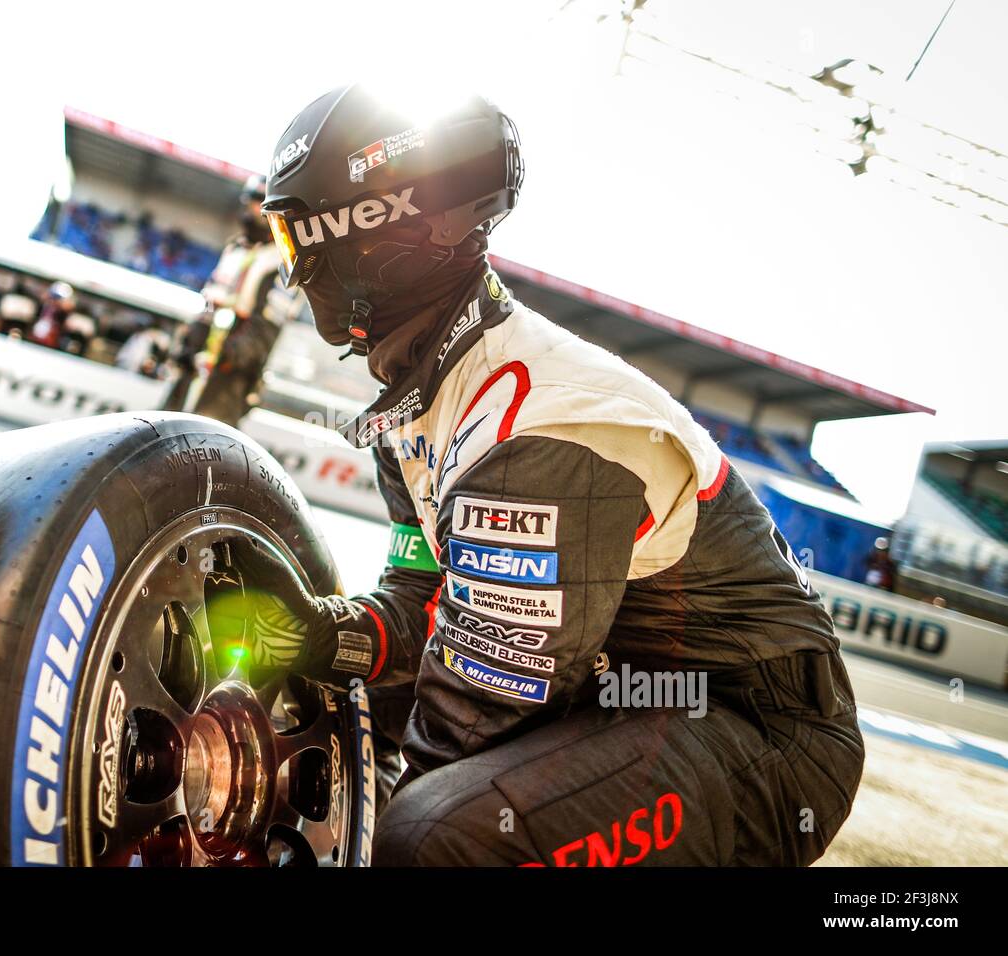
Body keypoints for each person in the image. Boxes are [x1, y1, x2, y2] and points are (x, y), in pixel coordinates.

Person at [236, 84, 864, 866]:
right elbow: (421, 604)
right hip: (620, 698)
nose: (297, 275)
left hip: (758, 735)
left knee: (430, 840)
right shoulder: (422, 408)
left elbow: (479, 711)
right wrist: (325, 633)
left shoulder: (532, 418)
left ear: (363, 236)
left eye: (299, 242)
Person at [190, 174, 307, 424]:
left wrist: (235, 352)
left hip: (234, 365)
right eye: (253, 200)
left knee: (205, 440)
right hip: (201, 355)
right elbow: (211, 297)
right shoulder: (235, 247)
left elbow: (270, 323)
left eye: (262, 201)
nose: (256, 208)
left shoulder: (285, 258)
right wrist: (192, 337)